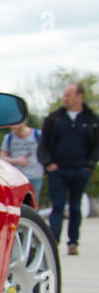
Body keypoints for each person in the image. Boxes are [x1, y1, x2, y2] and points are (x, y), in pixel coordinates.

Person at [39, 81, 99, 254]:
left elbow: (96, 145)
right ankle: (54, 242)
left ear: (79, 97)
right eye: (64, 95)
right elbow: (43, 144)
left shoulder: (91, 119)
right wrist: (48, 163)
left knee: (75, 207)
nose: (65, 98)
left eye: (68, 95)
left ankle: (73, 242)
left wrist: (90, 165)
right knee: (57, 206)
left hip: (80, 170)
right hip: (58, 171)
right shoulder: (54, 119)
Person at [1, 119, 44, 201]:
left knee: (33, 202)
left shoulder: (38, 134)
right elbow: (2, 158)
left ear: (24, 120)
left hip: (35, 176)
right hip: (16, 177)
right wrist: (17, 160)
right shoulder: (8, 138)